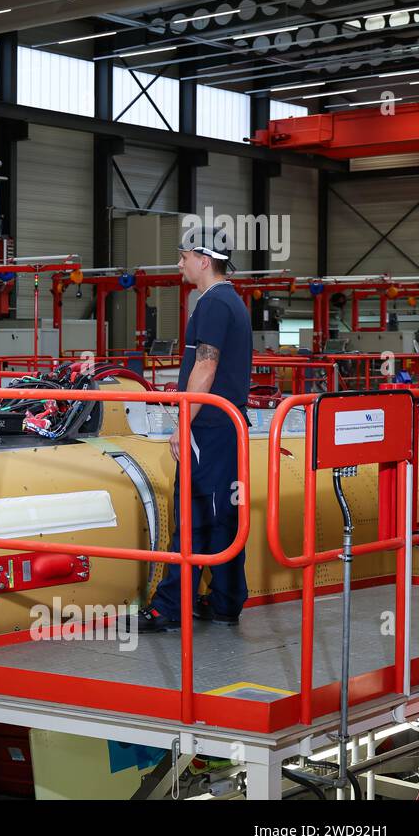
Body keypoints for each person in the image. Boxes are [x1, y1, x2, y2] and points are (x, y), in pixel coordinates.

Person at [138, 237, 253, 633]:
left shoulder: (213, 303)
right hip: (224, 423)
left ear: (204, 261)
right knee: (221, 515)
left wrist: (182, 423)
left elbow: (206, 366)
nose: (180, 264)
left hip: (209, 426)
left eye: (184, 257)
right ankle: (225, 600)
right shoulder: (227, 300)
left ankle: (170, 606)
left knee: (194, 516)